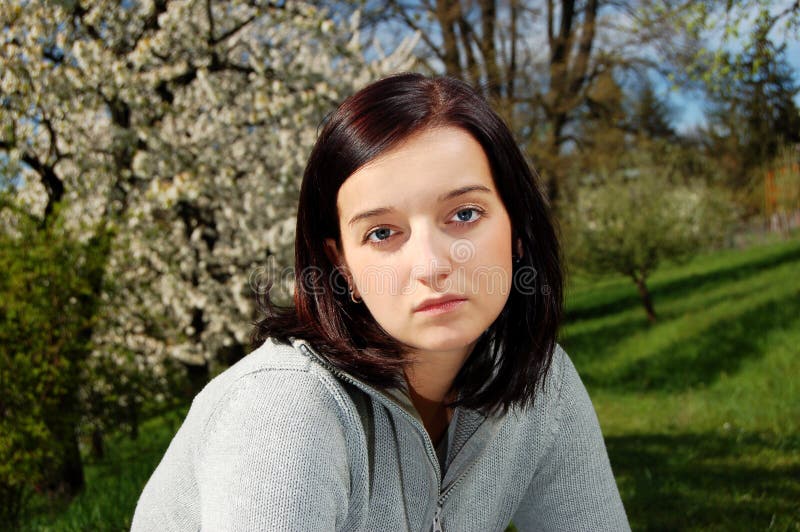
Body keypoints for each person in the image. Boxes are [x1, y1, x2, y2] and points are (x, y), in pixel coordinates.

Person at [132, 73, 630, 531]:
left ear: (516, 228)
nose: (431, 264)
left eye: (464, 214)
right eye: (383, 232)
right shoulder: (283, 409)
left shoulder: (540, 380)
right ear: (342, 264)